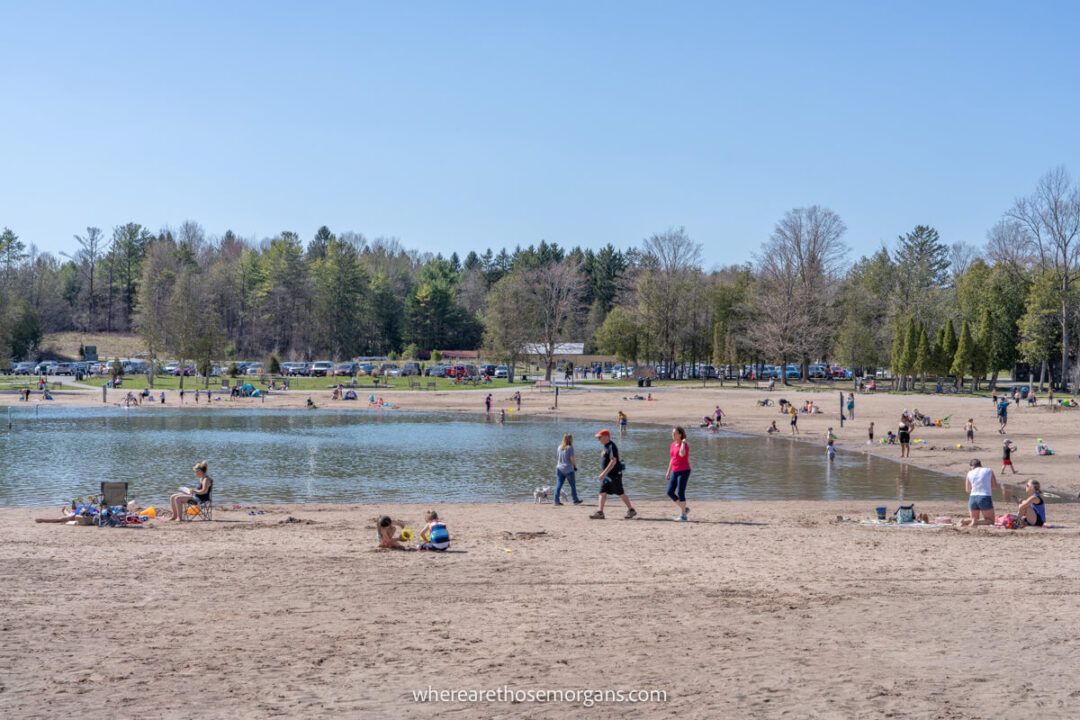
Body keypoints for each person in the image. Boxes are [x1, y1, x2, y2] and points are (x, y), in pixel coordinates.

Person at [589, 429, 636, 520]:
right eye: (598, 438)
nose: (598, 439)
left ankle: (631, 510)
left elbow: (613, 461)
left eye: (600, 437)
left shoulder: (611, 446)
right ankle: (600, 512)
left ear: (606, 437)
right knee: (602, 492)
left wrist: (604, 473)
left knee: (620, 493)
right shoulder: (605, 446)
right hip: (608, 475)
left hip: (614, 475)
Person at [962, 458, 1002, 527]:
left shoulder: (969, 473)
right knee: (990, 521)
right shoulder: (989, 470)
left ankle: (964, 521)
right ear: (980, 464)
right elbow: (995, 486)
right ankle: (975, 522)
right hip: (984, 496)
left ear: (972, 466)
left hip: (973, 497)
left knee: (974, 518)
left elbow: (968, 490)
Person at [665, 426, 691, 522]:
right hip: (675, 471)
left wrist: (683, 443)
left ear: (680, 434)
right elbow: (672, 459)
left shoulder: (684, 445)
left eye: (675, 433)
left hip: (684, 470)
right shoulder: (672, 445)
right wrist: (668, 471)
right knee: (670, 492)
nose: (673, 435)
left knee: (680, 492)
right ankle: (685, 509)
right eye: (672, 433)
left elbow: (682, 454)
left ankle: (683, 516)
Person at [554, 434, 582, 506]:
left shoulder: (559, 447)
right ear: (570, 439)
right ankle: (575, 500)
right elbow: (572, 458)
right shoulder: (570, 448)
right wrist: (575, 466)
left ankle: (556, 501)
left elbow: (558, 457)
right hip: (568, 469)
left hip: (559, 468)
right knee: (572, 485)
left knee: (559, 484)